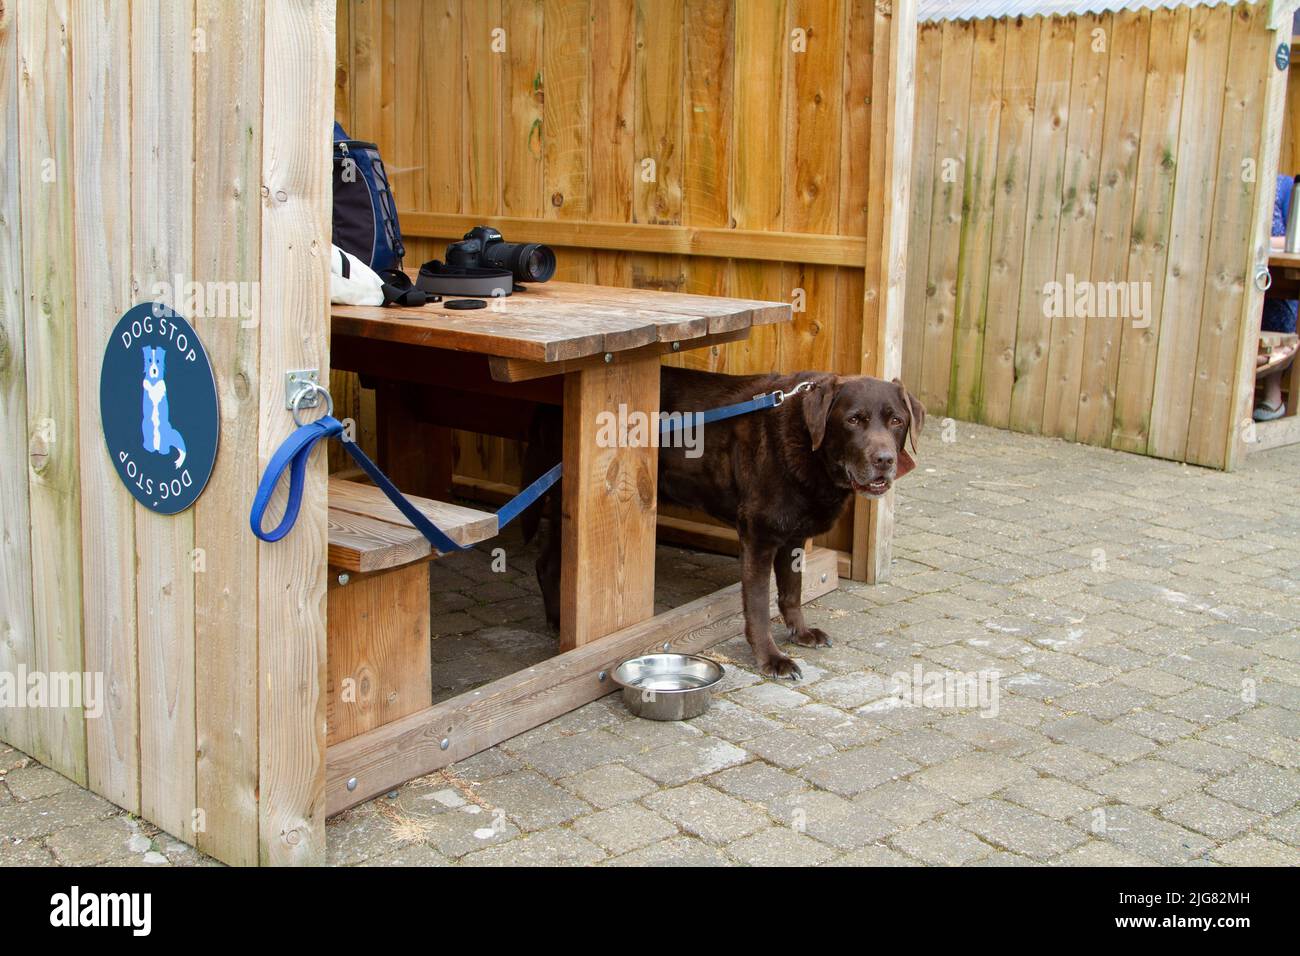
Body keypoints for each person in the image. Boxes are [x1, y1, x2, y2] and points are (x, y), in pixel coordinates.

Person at [1257, 174, 1298, 421]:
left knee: (1275, 300)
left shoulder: (1285, 187)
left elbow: (1296, 238)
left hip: (1278, 276)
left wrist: (1258, 242)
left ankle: (1272, 395)